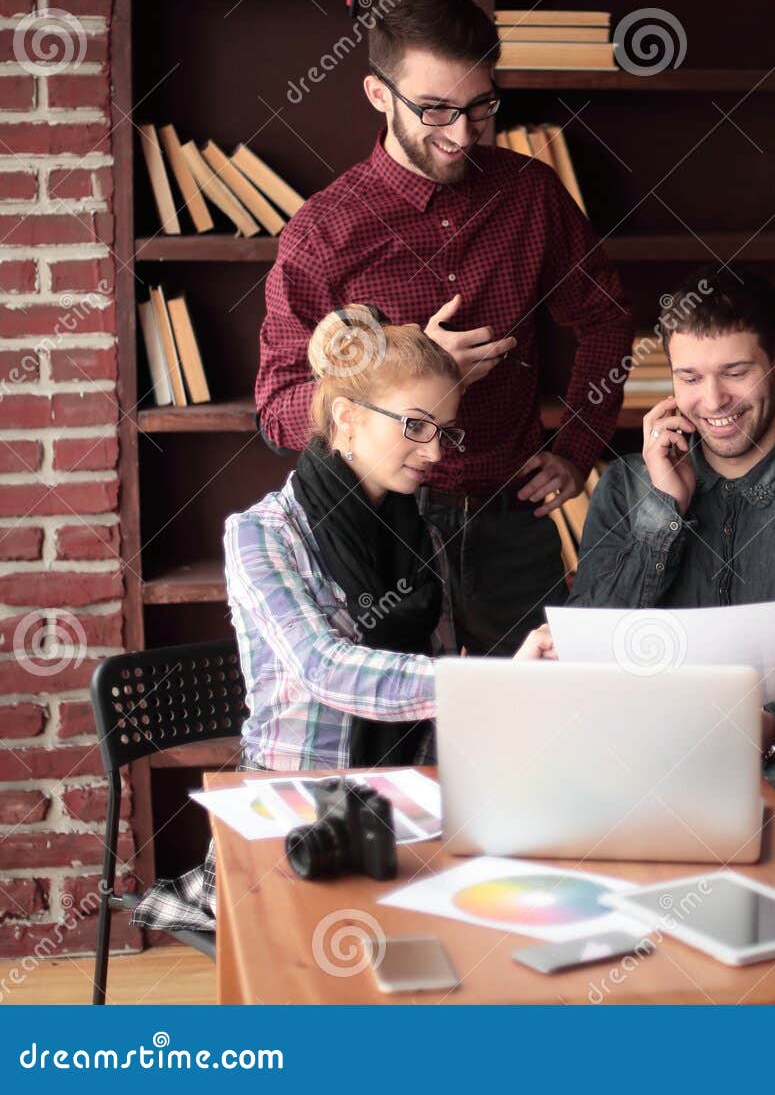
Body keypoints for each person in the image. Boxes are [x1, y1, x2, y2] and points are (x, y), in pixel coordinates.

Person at [256, 0, 633, 658]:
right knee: (395, 715)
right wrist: (404, 378)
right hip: (379, 531)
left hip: (512, 519)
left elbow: (606, 320)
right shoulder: (321, 233)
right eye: (434, 110)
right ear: (379, 94)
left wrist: (578, 449)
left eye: (479, 106)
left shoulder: (531, 193)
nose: (461, 134)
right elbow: (278, 405)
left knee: (537, 712)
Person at [134, 306, 539, 935]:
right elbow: (326, 670)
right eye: (415, 425)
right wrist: (489, 682)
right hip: (294, 810)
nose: (435, 451)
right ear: (347, 416)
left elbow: (437, 679)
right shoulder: (261, 534)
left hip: (405, 798)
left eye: (444, 431)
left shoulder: (423, 535)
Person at [522, 268, 775, 845]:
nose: (714, 400)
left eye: (735, 372)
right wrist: (663, 511)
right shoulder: (625, 487)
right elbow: (589, 644)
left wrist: (762, 730)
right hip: (627, 788)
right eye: (690, 378)